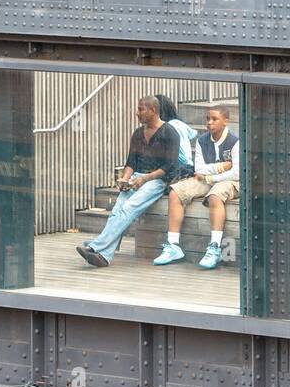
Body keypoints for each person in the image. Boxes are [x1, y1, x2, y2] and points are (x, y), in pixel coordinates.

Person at [76, 96, 193, 267]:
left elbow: (168, 166)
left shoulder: (170, 133)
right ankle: (104, 256)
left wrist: (144, 178)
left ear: (153, 111)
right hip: (136, 176)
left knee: (129, 208)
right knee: (117, 209)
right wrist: (124, 178)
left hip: (157, 180)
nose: (136, 113)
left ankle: (97, 246)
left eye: (140, 109)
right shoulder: (138, 133)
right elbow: (131, 162)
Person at [153, 105, 239, 270]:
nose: (209, 123)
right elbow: (199, 169)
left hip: (230, 181)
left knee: (215, 196)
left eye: (214, 119)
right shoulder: (201, 140)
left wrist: (212, 175)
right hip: (207, 177)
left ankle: (214, 247)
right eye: (208, 119)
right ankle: (173, 246)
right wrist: (221, 167)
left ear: (225, 121)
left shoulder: (234, 142)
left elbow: (235, 173)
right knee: (176, 192)